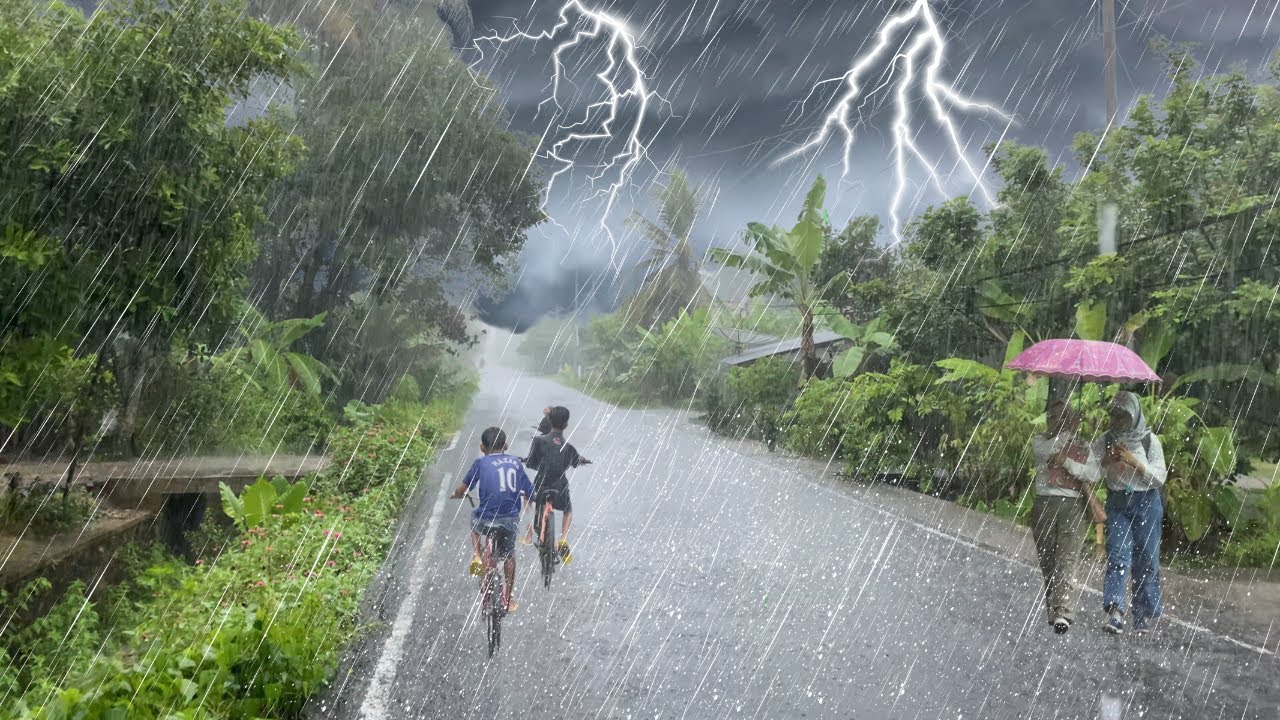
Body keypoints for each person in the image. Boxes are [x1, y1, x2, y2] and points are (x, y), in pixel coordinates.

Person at [1095, 391, 1167, 635]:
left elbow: (1159, 477)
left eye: (1124, 416)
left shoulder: (1150, 441)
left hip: (1147, 501)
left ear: (1135, 416)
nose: (1119, 421)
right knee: (1118, 555)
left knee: (1146, 559)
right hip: (1118, 503)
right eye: (1115, 415)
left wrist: (1134, 462)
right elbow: (1092, 473)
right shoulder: (1105, 440)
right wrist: (1107, 460)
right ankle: (1115, 612)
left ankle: (1142, 613)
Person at [1029, 401, 1100, 634]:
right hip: (1044, 503)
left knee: (1067, 559)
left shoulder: (1082, 445)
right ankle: (1054, 606)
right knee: (1048, 560)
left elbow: (1093, 473)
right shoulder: (1040, 441)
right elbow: (1043, 453)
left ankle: (1064, 611)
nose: (1055, 421)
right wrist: (1065, 433)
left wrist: (1068, 462)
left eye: (1061, 417)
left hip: (1073, 505)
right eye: (1052, 416)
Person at [449, 426, 533, 613]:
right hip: (509, 520)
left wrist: (456, 494)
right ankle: (509, 599)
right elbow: (530, 490)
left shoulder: (480, 463)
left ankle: (477, 555)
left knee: (474, 518)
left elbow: (463, 489)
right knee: (509, 554)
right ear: (506, 445)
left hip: (487, 519)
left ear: (482, 447)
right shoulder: (516, 463)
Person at [523, 406, 589, 561]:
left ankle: (540, 532)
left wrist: (537, 463)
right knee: (568, 510)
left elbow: (531, 464)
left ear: (549, 421)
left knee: (538, 511)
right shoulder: (568, 447)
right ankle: (563, 538)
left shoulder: (539, 441)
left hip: (542, 484)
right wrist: (581, 460)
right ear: (566, 425)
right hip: (560, 486)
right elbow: (575, 462)